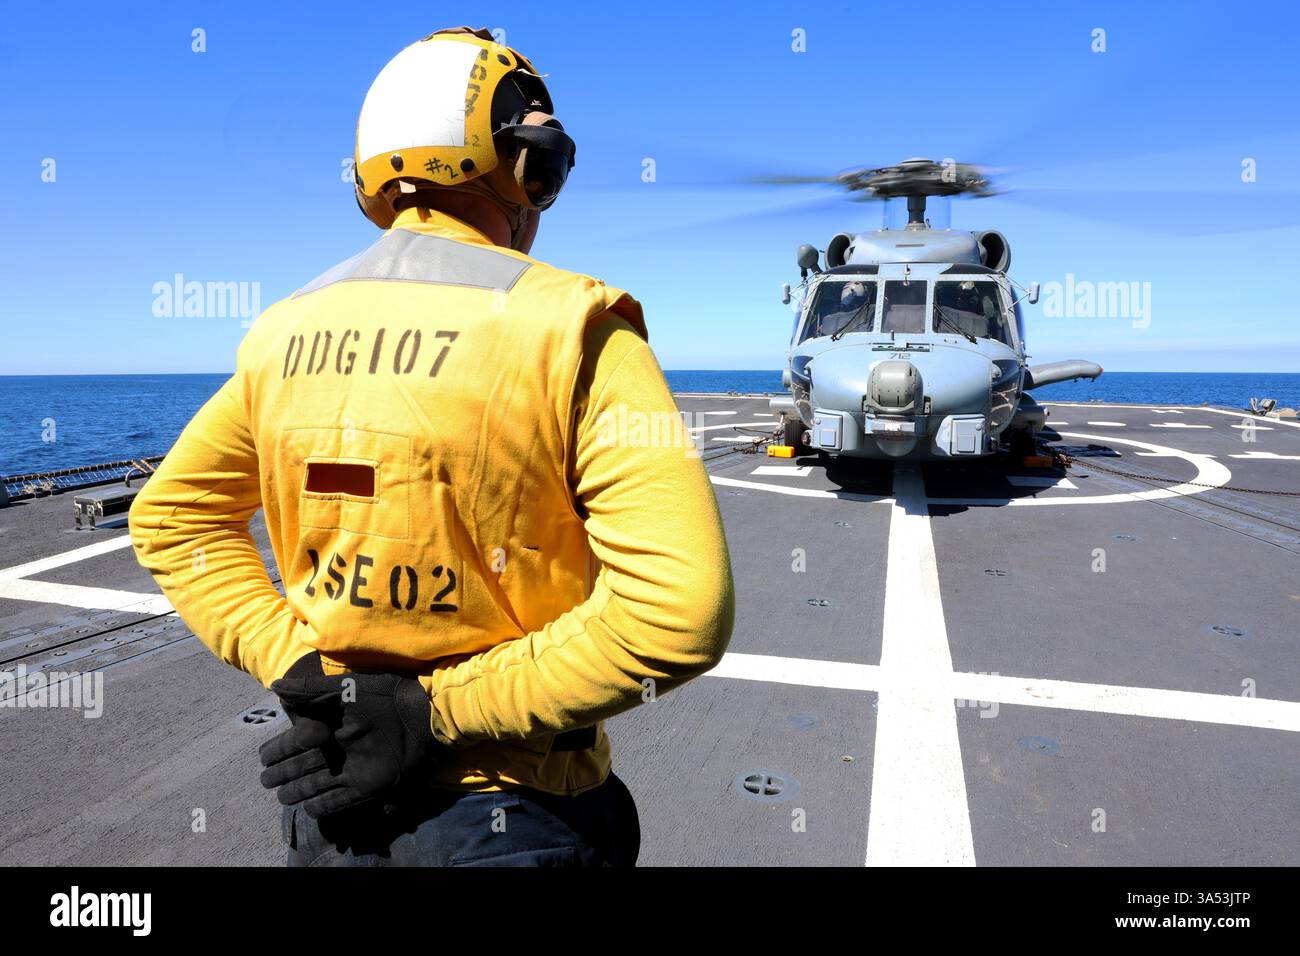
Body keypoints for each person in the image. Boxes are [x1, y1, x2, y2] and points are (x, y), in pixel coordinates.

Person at [127, 26, 735, 867]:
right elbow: (679, 615)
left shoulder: (279, 334)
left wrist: (302, 665)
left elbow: (172, 519)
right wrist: (434, 714)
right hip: (513, 815)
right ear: (527, 166)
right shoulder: (574, 328)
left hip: (337, 799)